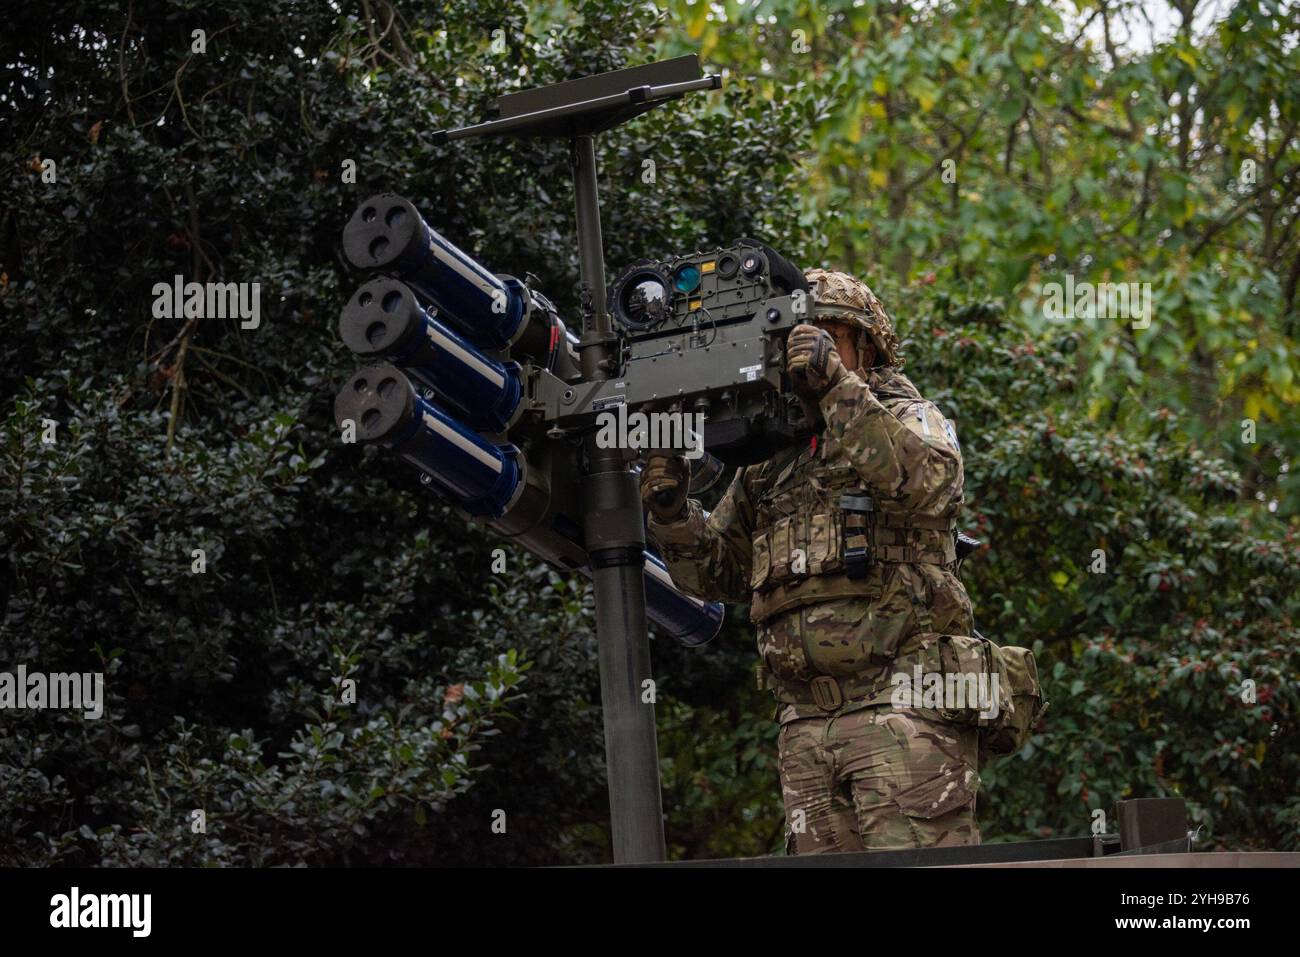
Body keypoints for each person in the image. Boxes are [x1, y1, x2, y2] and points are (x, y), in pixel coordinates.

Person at [641, 268, 980, 854]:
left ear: (864, 346)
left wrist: (835, 388)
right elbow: (711, 576)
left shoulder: (905, 414)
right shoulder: (770, 461)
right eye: (798, 336)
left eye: (826, 336)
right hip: (802, 726)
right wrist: (673, 513)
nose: (807, 349)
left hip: (900, 712)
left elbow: (930, 484)